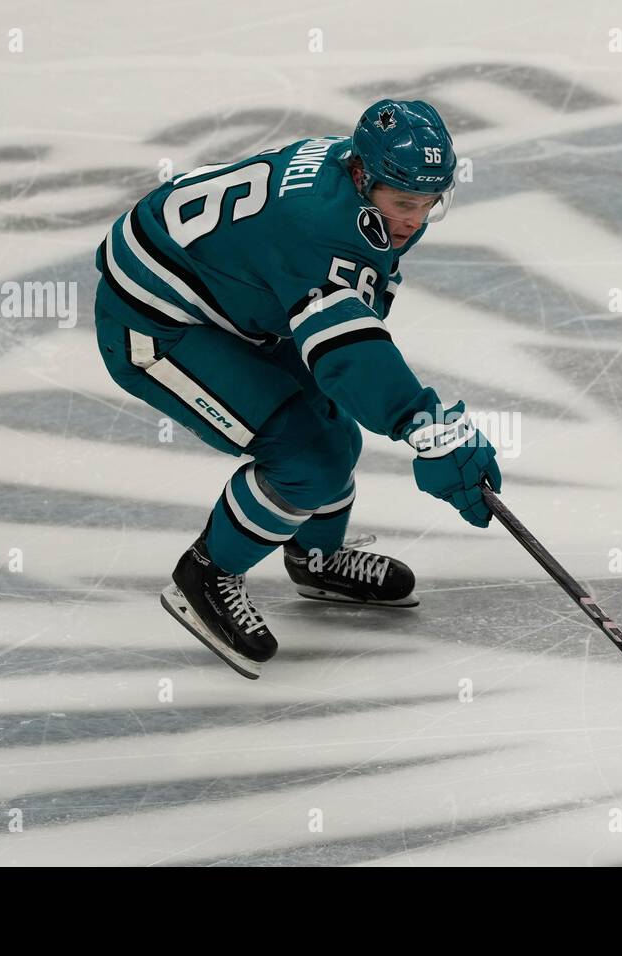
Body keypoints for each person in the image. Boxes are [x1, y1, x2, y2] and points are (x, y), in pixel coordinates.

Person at [92, 99, 503, 679]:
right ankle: (205, 574)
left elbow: (342, 326)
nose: (414, 218)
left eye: (430, 203)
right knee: (304, 458)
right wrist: (424, 425)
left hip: (228, 296)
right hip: (158, 323)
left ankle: (316, 558)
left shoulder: (353, 179)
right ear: (363, 176)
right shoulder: (324, 230)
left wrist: (410, 417)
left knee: (331, 432)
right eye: (403, 203)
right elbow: (348, 352)